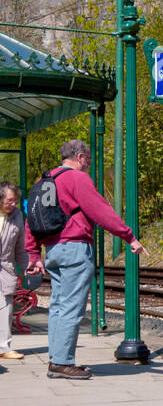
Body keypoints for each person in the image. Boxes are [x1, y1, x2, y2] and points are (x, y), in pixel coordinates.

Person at [24, 140, 148, 379]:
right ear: (80, 157)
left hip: (53, 251)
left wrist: (33, 253)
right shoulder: (77, 179)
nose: (88, 165)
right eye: (88, 161)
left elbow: (32, 219)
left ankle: (56, 359)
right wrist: (128, 236)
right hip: (75, 248)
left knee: (58, 307)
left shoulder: (43, 182)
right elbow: (100, 211)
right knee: (72, 307)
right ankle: (62, 363)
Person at [0, 181, 26, 360]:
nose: (13, 204)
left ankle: (4, 347)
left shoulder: (17, 216)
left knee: (6, 307)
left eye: (15, 200)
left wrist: (27, 268)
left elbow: (20, 247)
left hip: (5, 266)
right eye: (10, 200)